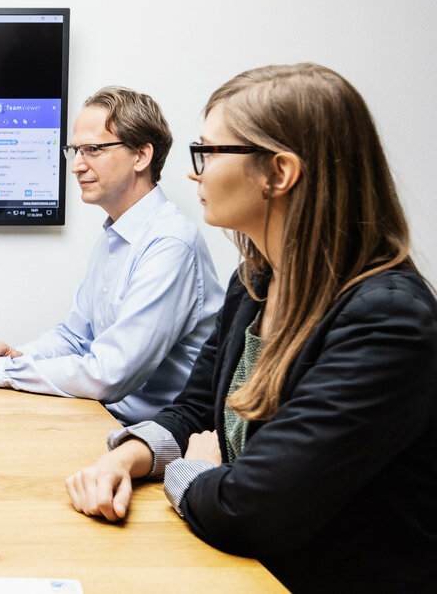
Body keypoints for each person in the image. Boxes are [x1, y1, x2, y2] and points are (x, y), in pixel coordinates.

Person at [65, 64, 437, 592]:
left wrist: (190, 473)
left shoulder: (388, 320)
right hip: (245, 566)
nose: (193, 173)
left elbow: (255, 507)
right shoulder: (254, 281)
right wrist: (125, 458)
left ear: (279, 173)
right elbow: (196, 410)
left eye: (209, 153)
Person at [0, 87, 224, 425]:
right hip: (102, 417)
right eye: (75, 151)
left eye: (93, 150)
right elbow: (75, 337)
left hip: (154, 435)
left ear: (141, 156)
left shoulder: (170, 243)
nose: (77, 166)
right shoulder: (115, 236)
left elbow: (109, 375)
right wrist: (11, 356)